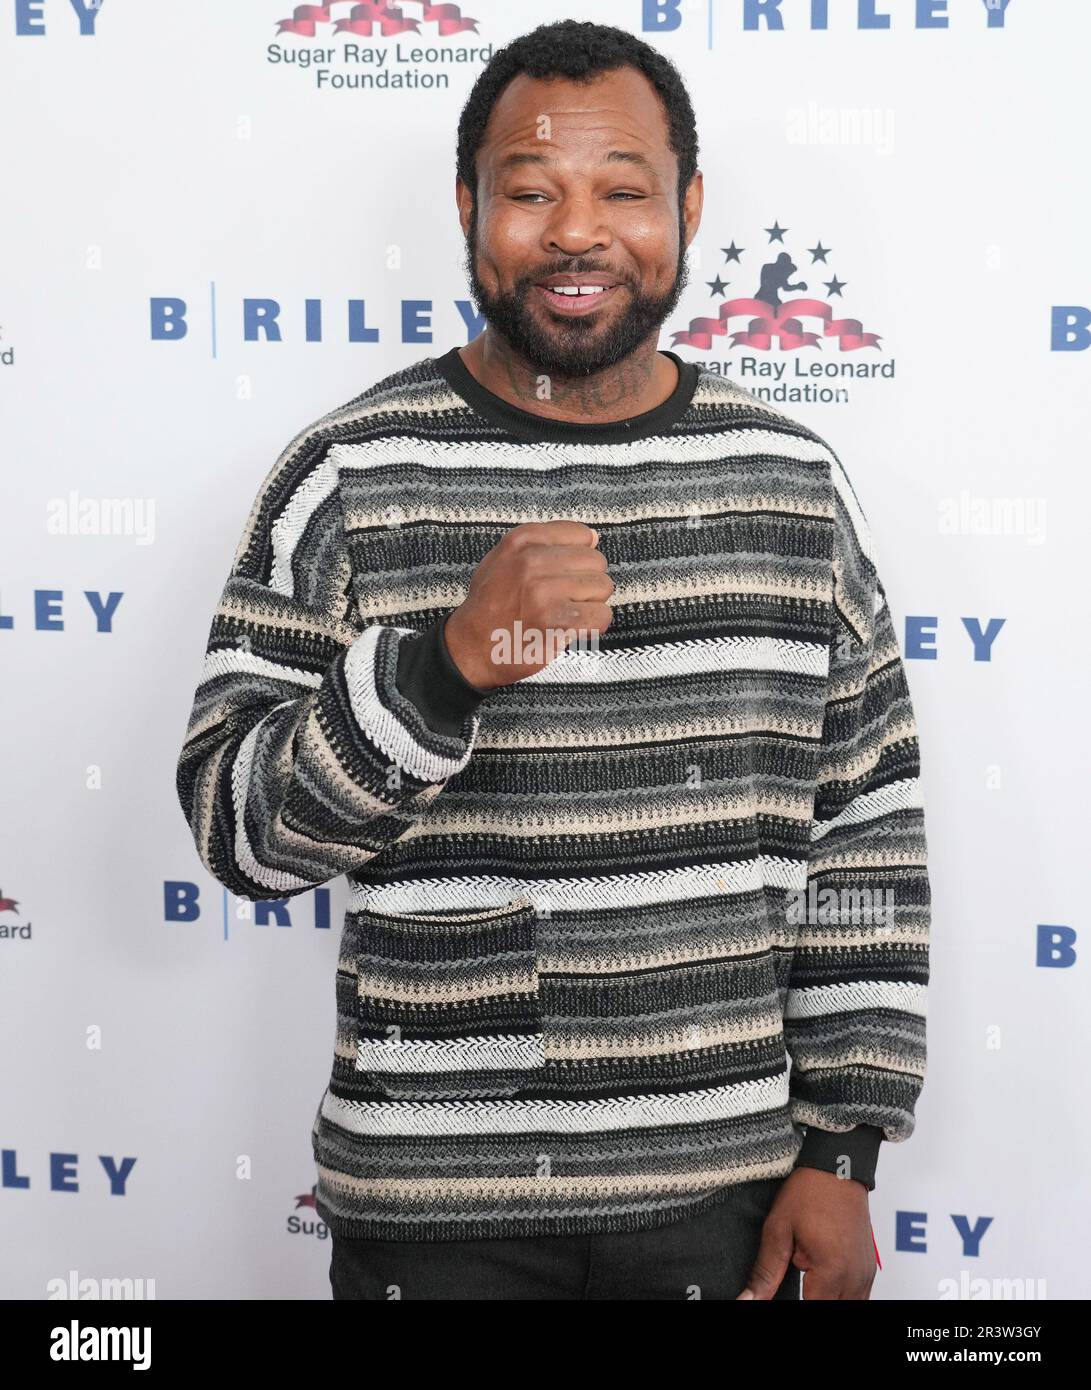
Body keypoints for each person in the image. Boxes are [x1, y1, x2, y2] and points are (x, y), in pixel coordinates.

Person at [175, 19, 930, 1301]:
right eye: (530, 192)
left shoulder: (792, 485)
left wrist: (843, 1149)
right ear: (468, 206)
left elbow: (863, 834)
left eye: (622, 191)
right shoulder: (350, 478)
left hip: (720, 1211)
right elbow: (234, 832)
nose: (577, 233)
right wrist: (442, 669)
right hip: (433, 1223)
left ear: (687, 206)